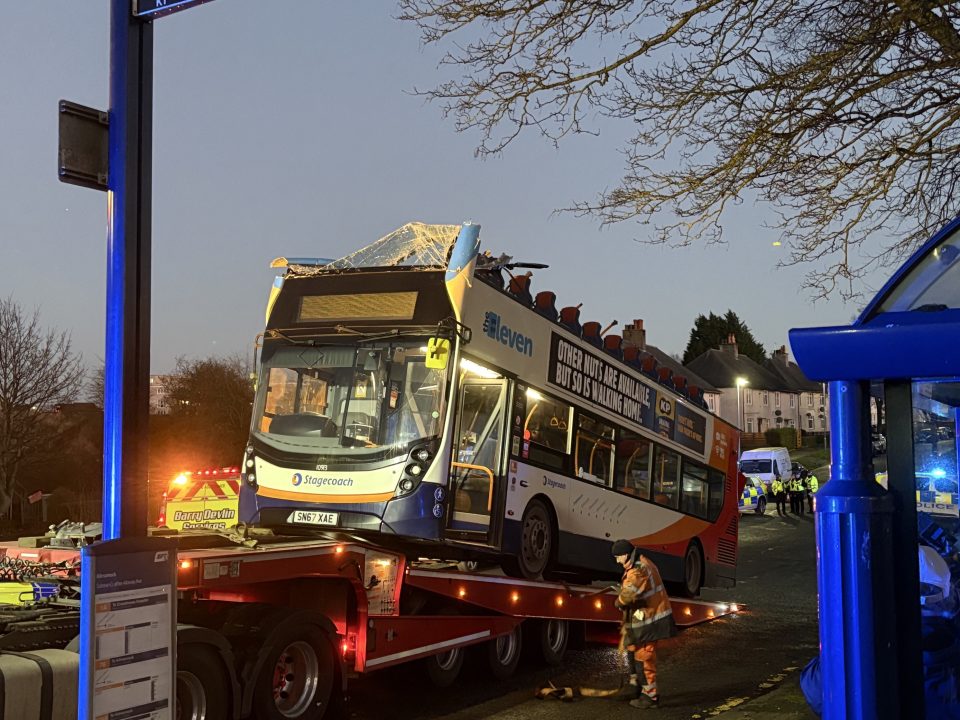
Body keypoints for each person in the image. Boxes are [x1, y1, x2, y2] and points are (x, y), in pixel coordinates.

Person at [611, 538, 677, 709]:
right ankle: (636, 687)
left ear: (626, 555)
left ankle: (650, 696)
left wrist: (619, 601)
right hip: (645, 619)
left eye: (618, 557)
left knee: (644, 658)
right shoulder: (638, 564)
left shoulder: (639, 569)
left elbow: (628, 595)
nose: (617, 561)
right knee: (633, 652)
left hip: (651, 621)